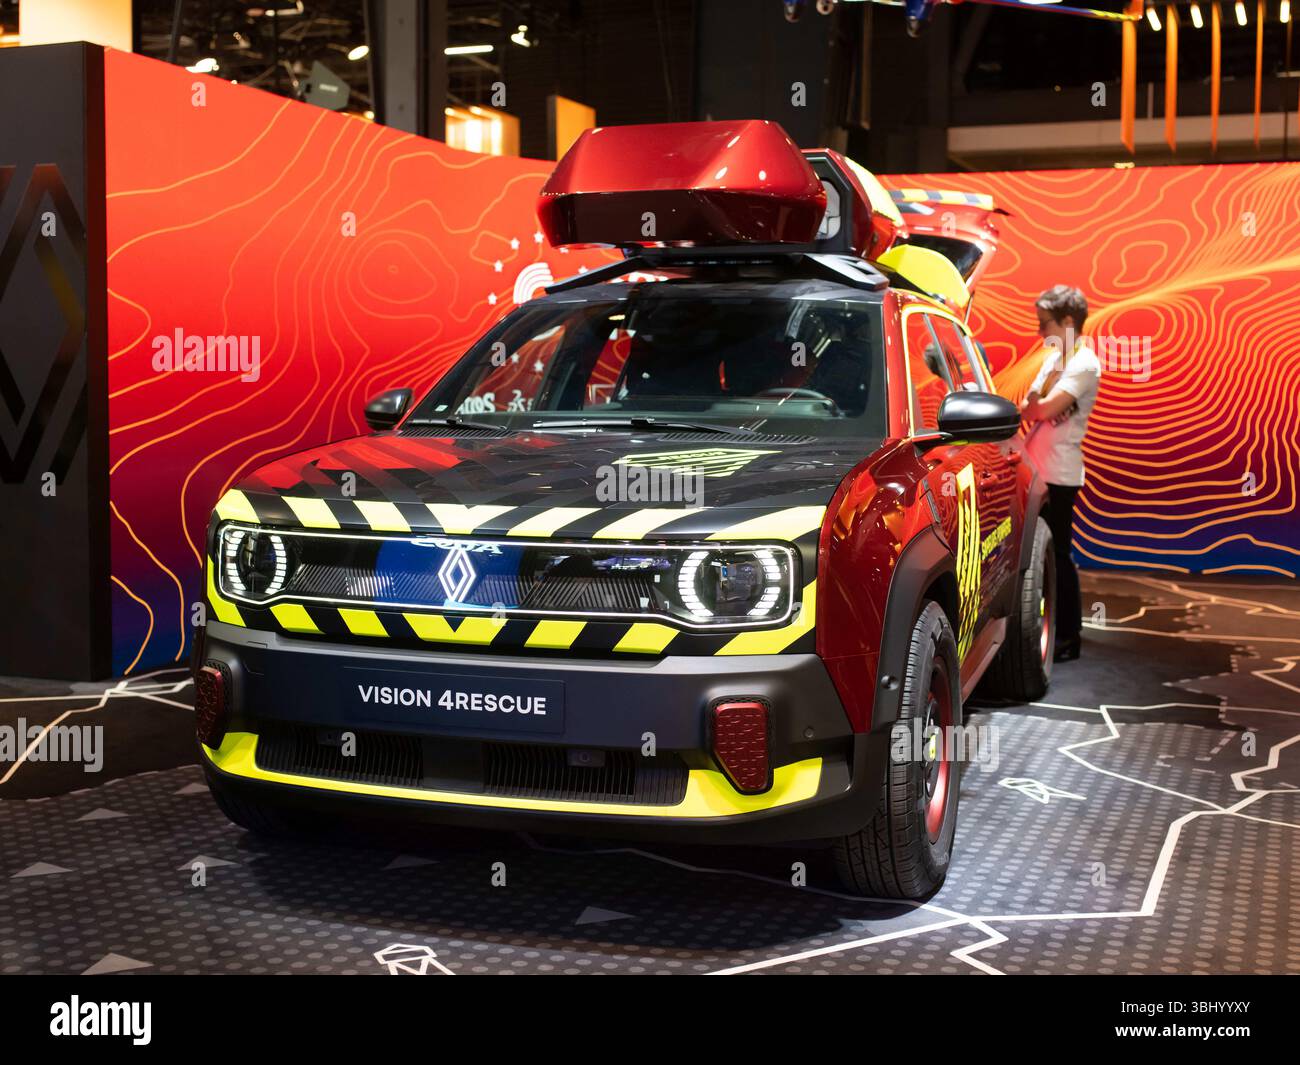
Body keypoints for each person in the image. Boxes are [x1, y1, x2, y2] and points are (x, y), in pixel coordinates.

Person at [1021, 285, 1102, 662]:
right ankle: (1054, 631)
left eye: (1045, 323)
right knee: (1044, 556)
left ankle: (1069, 635)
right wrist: (1040, 400)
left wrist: (1041, 400)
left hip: (1059, 474)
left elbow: (1039, 409)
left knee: (1058, 556)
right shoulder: (1056, 359)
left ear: (1068, 321)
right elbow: (1029, 405)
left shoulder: (1084, 363)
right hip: (1038, 469)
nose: (1040, 331)